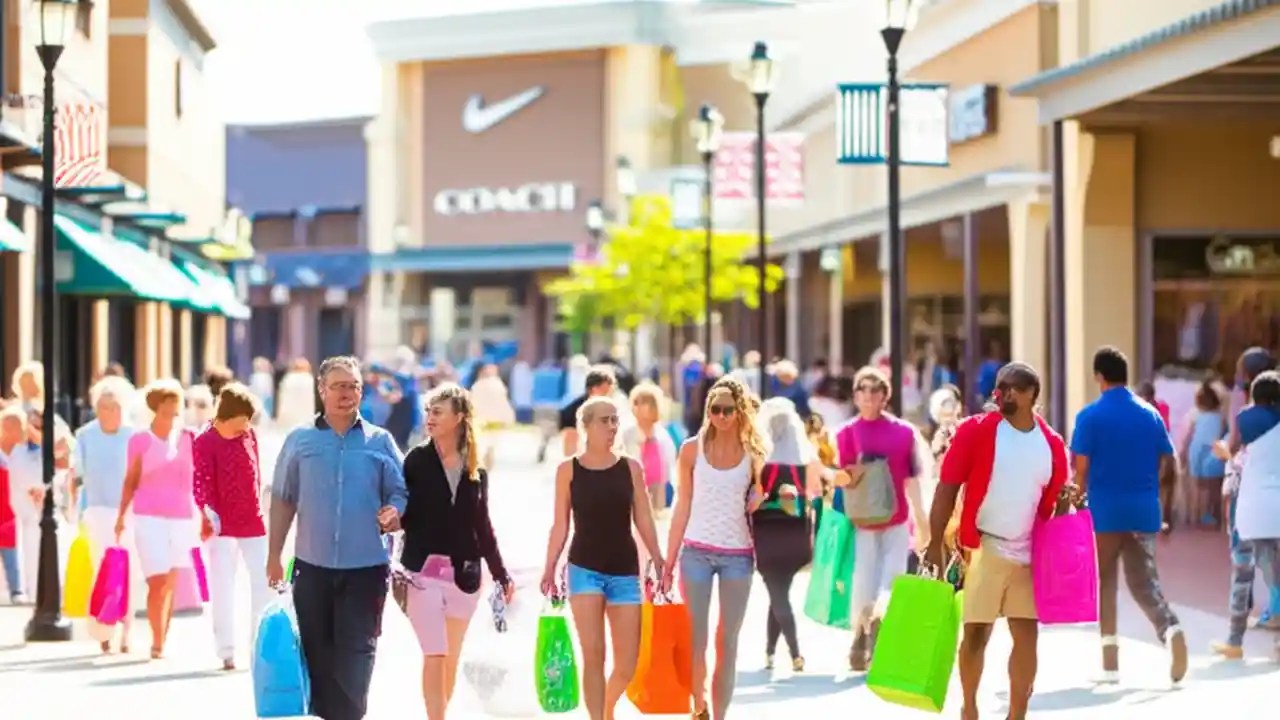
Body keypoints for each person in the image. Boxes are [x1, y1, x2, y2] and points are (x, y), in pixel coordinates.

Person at [926, 362, 1070, 720]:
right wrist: (934, 542)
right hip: (984, 547)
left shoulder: (1051, 444)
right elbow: (947, 487)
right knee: (976, 634)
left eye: (1013, 388)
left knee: (1027, 636)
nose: (1003, 394)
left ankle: (1016, 714)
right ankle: (970, 708)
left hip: (1028, 554)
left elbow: (1054, 506)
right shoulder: (977, 430)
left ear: (1032, 395)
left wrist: (1069, 503)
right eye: (1000, 387)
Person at [268, 355, 407, 720]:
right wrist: (273, 555)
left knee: (357, 654)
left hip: (367, 568)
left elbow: (402, 491)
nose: (347, 393)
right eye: (339, 386)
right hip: (312, 568)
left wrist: (395, 512)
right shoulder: (300, 441)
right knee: (318, 655)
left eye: (354, 386)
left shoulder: (381, 441)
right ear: (322, 390)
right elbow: (283, 499)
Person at [542, 395, 664, 720]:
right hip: (583, 569)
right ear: (586, 426)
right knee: (593, 655)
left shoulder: (630, 468)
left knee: (627, 663)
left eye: (615, 420)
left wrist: (659, 557)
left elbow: (644, 518)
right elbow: (560, 524)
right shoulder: (568, 470)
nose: (612, 427)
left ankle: (606, 709)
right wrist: (549, 567)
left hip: (625, 571)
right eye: (604, 420)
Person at [1071, 346, 1187, 684]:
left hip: (1104, 513)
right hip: (1143, 511)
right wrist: (1165, 508)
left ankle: (1110, 665)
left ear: (1098, 377)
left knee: (1105, 582)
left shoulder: (1090, 416)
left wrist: (1075, 502)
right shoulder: (1149, 414)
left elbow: (1081, 469)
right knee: (1143, 583)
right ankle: (1170, 629)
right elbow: (1170, 462)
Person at [400, 383, 514, 719]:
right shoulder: (416, 461)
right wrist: (390, 519)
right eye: (428, 411)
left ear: (458, 418)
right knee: (434, 653)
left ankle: (440, 713)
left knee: (449, 657)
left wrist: (500, 572)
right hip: (423, 572)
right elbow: (403, 510)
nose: (430, 418)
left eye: (438, 412)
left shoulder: (475, 468)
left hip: (465, 576)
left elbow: (483, 525)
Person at [661, 376, 765, 720]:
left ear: (739, 412)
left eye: (728, 410)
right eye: (715, 409)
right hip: (696, 553)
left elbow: (767, 496)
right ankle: (698, 703)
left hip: (739, 555)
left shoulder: (754, 454)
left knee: (727, 640)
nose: (721, 416)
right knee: (696, 637)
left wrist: (762, 496)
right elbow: (682, 505)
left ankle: (719, 715)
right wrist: (668, 559)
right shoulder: (691, 449)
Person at [834, 366, 929, 671]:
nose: (869, 396)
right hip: (861, 522)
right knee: (863, 581)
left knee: (892, 580)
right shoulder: (846, 433)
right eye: (862, 389)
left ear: (885, 396)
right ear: (855, 394)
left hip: (897, 519)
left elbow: (913, 479)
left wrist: (923, 520)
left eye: (875, 390)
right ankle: (860, 637)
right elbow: (837, 479)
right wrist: (850, 474)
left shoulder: (904, 433)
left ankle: (877, 634)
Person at [114, 380, 197, 660]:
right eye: (166, 412)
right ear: (155, 411)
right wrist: (120, 516)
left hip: (182, 519)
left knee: (171, 582)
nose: (172, 418)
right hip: (148, 517)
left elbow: (202, 480)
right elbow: (130, 480)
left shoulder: (190, 438)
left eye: (176, 412)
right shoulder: (140, 440)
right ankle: (157, 641)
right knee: (157, 582)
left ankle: (162, 634)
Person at [193, 383, 268, 671]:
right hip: (220, 525)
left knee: (263, 583)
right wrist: (207, 515)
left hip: (253, 520)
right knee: (223, 585)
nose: (246, 427)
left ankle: (258, 648)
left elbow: (256, 474)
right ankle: (226, 650)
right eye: (242, 421)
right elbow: (201, 484)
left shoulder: (249, 436)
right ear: (228, 416)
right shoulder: (205, 441)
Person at [1212, 370, 1280, 661]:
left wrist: (1226, 454)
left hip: (1248, 509)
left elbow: (1239, 457)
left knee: (1242, 575)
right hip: (1276, 511)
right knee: (1275, 579)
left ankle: (1234, 641)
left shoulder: (1245, 418)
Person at [753, 397, 824, 673]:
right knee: (779, 593)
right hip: (796, 540)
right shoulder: (805, 465)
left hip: (766, 539)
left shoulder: (760, 465)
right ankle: (770, 653)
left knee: (778, 595)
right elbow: (816, 500)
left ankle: (796, 654)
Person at [75, 376, 138, 652]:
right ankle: (103, 630)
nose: (108, 412)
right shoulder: (85, 435)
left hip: (129, 511)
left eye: (114, 407)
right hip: (97, 510)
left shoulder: (133, 435)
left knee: (128, 571)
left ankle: (127, 628)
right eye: (103, 406)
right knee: (101, 570)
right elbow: (77, 474)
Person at [620, 383, 678, 513]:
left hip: (659, 483)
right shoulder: (628, 433)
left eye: (643, 402)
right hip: (635, 483)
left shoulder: (662, 432)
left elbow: (669, 459)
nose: (638, 406)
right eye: (635, 402)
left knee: (657, 515)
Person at [0, 406, 37, 603]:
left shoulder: (28, 453)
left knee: (14, 550)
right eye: (5, 425)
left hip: (19, 511)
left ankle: (18, 589)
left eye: (14, 425)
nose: (8, 430)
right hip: (2, 508)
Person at [1179, 380, 1227, 528]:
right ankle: (1210, 514)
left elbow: (1189, 435)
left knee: (1197, 484)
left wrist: (1182, 451)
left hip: (1197, 449)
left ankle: (1195, 515)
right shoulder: (1220, 416)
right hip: (1214, 449)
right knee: (1213, 485)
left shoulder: (1195, 414)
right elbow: (1222, 434)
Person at [559, 366, 617, 458]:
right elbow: (570, 446)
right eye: (605, 391)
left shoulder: (613, 408)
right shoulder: (574, 410)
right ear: (594, 389)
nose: (609, 395)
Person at [275, 358, 317, 429]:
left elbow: (282, 399)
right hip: (305, 418)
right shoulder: (309, 379)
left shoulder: (288, 379)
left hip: (289, 417)